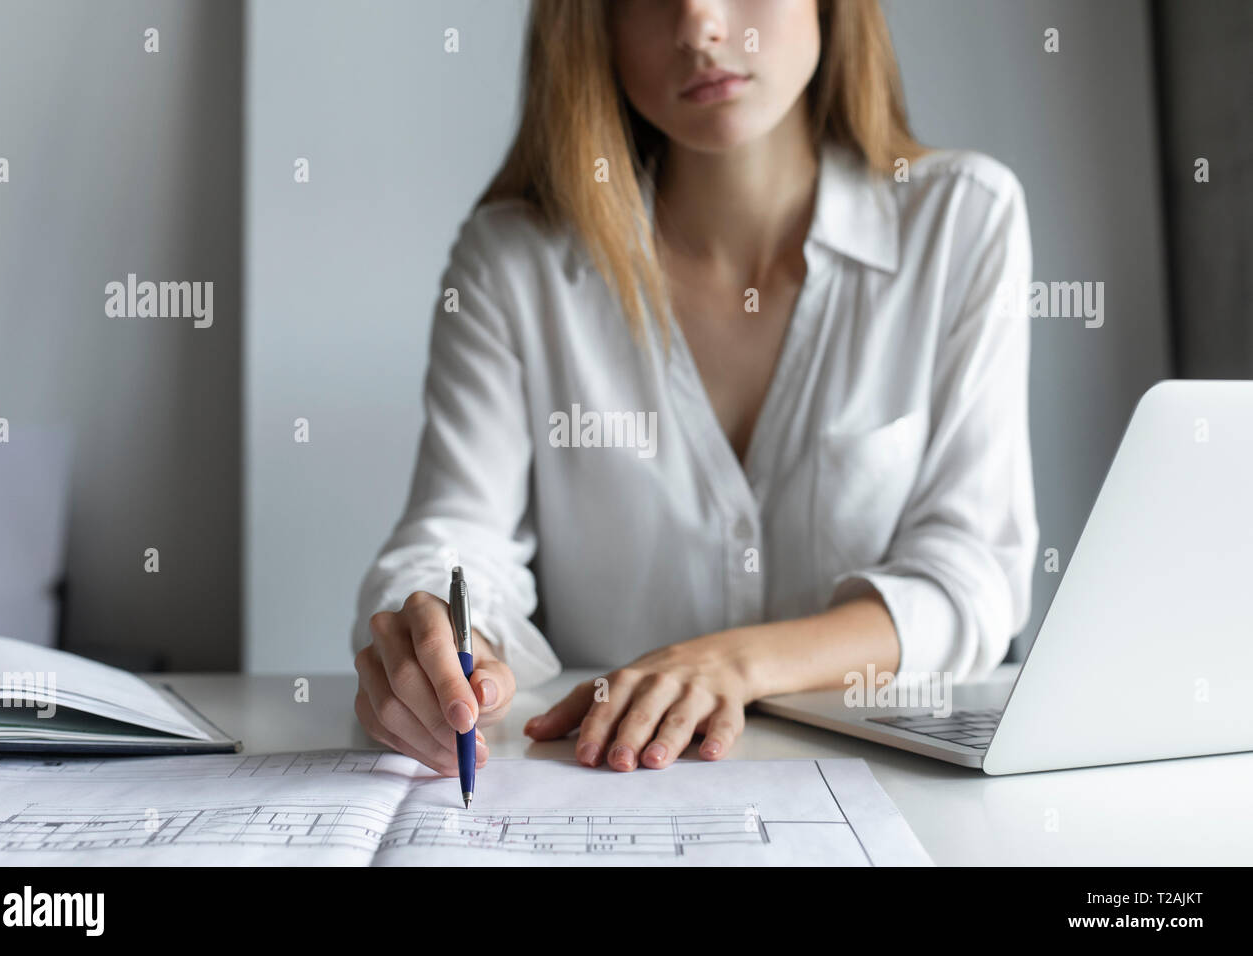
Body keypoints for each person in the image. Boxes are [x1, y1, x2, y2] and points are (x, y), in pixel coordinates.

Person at [352, 0, 1038, 776]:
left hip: (889, 787)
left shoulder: (963, 221)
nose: (700, 26)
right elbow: (455, 534)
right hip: (605, 786)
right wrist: (438, 640)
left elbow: (972, 574)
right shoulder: (513, 264)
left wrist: (735, 663)